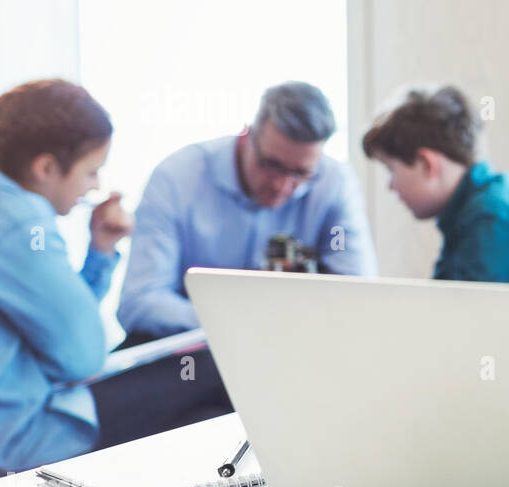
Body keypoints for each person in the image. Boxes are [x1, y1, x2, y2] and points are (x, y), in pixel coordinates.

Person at [117, 81, 377, 340]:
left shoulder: (334, 184)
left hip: (294, 350)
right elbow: (140, 302)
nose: (282, 186)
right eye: (271, 165)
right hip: (196, 354)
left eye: (300, 173)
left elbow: (355, 293)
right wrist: (239, 324)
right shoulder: (176, 179)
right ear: (246, 136)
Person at [0, 80, 133, 475]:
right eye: (92, 171)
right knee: (199, 382)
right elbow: (84, 357)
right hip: (22, 444)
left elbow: (58, 331)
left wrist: (100, 250)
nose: (97, 186)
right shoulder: (18, 222)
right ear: (47, 168)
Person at [362, 84, 509, 284]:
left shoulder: (490, 216)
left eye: (391, 170)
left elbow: (464, 317)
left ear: (428, 164)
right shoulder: (469, 208)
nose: (390, 186)